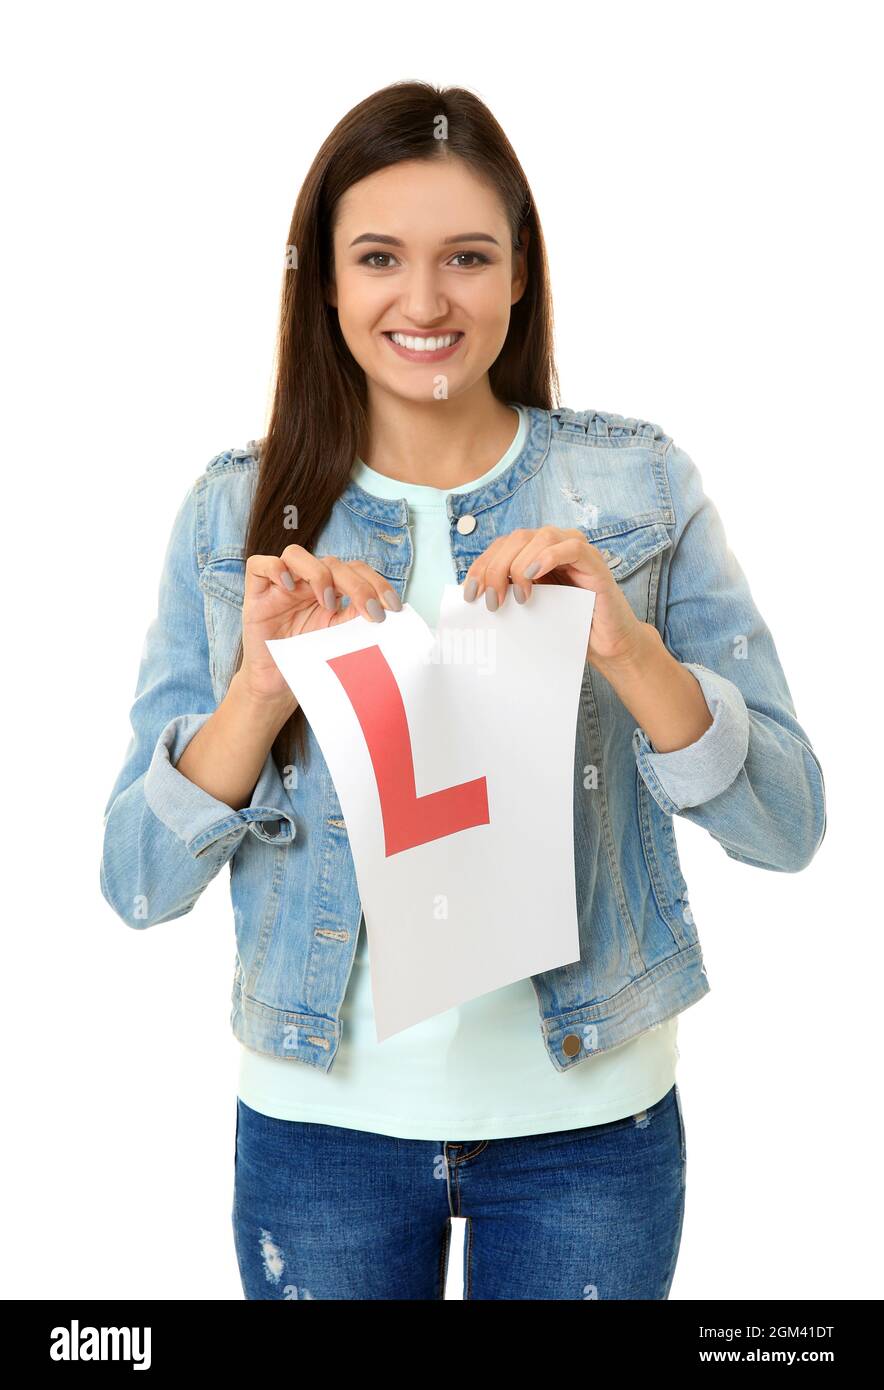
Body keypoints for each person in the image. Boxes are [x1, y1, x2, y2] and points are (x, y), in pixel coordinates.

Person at [100, 80, 827, 1300]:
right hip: (318, 1132)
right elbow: (133, 879)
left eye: (467, 257)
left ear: (519, 274)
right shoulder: (235, 515)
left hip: (590, 1130)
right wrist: (257, 696)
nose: (425, 301)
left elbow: (786, 824)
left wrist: (631, 657)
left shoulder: (635, 489)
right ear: (323, 283)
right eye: (378, 257)